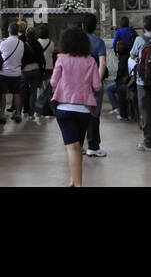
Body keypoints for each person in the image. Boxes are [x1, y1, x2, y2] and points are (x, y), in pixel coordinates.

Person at [50, 26, 103, 187]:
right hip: (84, 109)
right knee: (77, 146)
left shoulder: (61, 59)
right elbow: (97, 85)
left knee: (72, 147)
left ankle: (78, 184)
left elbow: (53, 82)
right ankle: (73, 180)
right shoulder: (90, 61)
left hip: (64, 108)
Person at [128, 15, 151, 152]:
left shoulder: (139, 39)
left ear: (144, 27)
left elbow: (132, 55)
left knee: (146, 111)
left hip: (143, 80)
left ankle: (149, 142)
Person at [83, 13, 108, 157]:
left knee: (79, 112)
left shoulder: (78, 42)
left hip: (78, 82)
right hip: (93, 81)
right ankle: (93, 145)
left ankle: (78, 145)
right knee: (93, 114)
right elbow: (102, 64)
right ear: (95, 26)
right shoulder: (98, 42)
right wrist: (96, 83)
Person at [0, 23, 26, 122]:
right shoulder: (21, 43)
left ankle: (2, 114)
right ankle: (18, 114)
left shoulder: (4, 43)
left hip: (4, 72)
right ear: (17, 31)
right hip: (17, 72)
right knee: (17, 93)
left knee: (3, 94)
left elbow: (0, 56)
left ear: (9, 31)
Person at [21, 26, 45, 118]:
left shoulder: (23, 44)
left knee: (22, 90)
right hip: (36, 70)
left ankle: (23, 109)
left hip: (25, 71)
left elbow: (22, 58)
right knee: (33, 92)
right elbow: (41, 57)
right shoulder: (38, 44)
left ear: (26, 35)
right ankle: (31, 113)